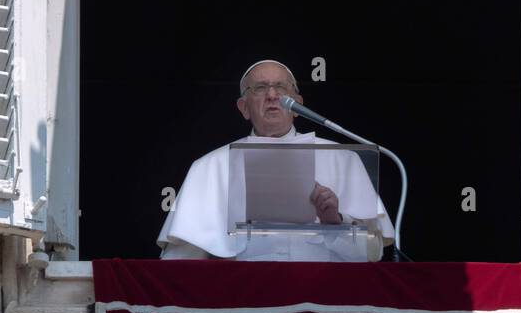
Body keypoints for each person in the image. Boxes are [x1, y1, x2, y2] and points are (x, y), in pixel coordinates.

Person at [157, 59, 395, 262]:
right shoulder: (209, 167)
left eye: (280, 87)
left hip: (323, 294)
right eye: (259, 88)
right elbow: (180, 263)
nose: (272, 95)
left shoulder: (344, 159)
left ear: (297, 106)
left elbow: (371, 254)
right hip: (246, 297)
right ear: (244, 108)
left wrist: (334, 222)